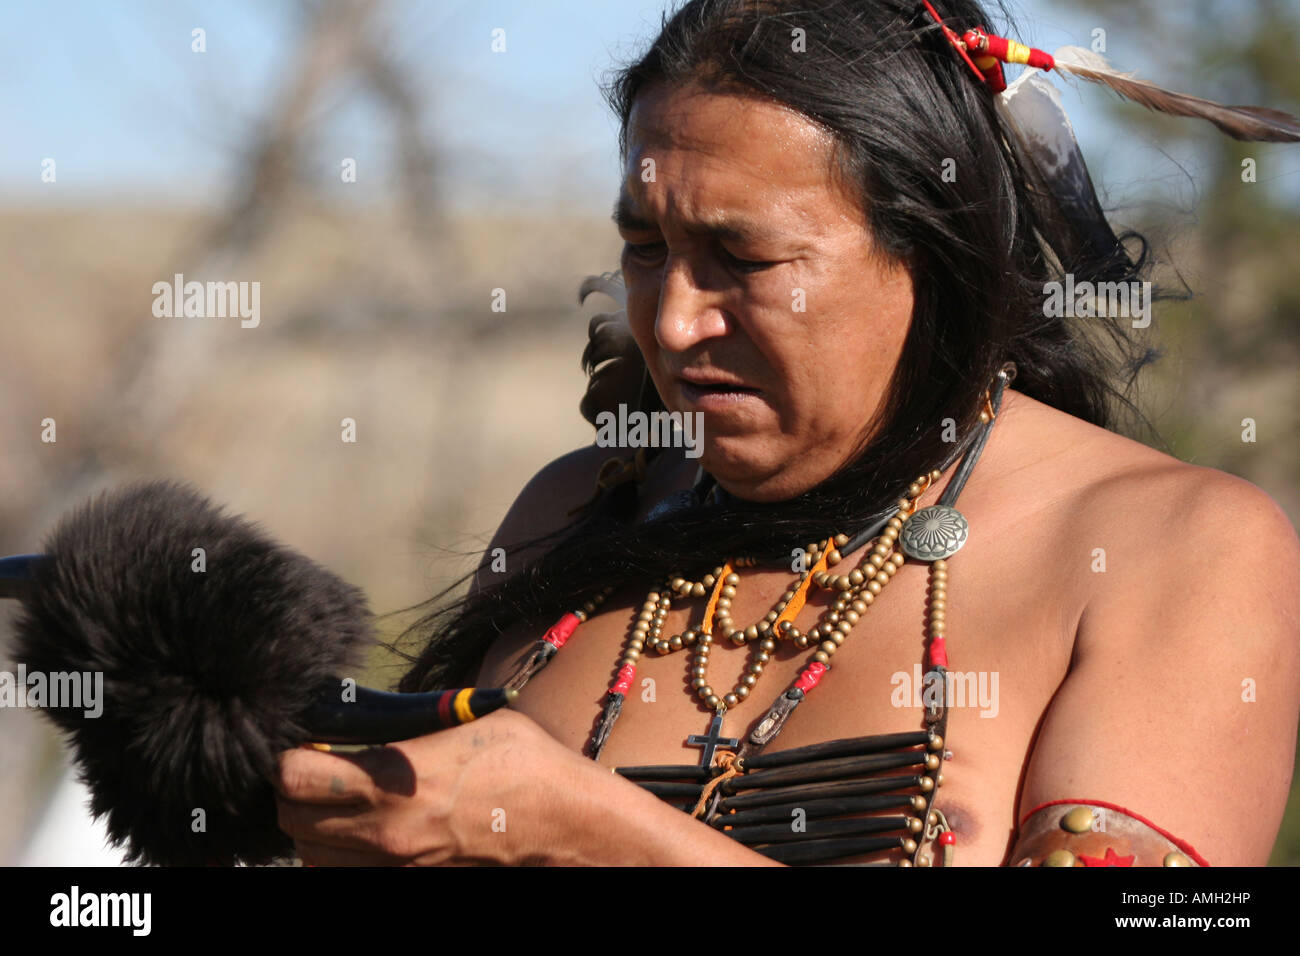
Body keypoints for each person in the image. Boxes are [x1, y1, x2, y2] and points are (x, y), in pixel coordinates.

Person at [274, 0, 1300, 867]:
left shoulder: (1179, 547)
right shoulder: (581, 506)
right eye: (646, 247)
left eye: (742, 256)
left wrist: (587, 829)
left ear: (931, 251)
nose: (673, 321)